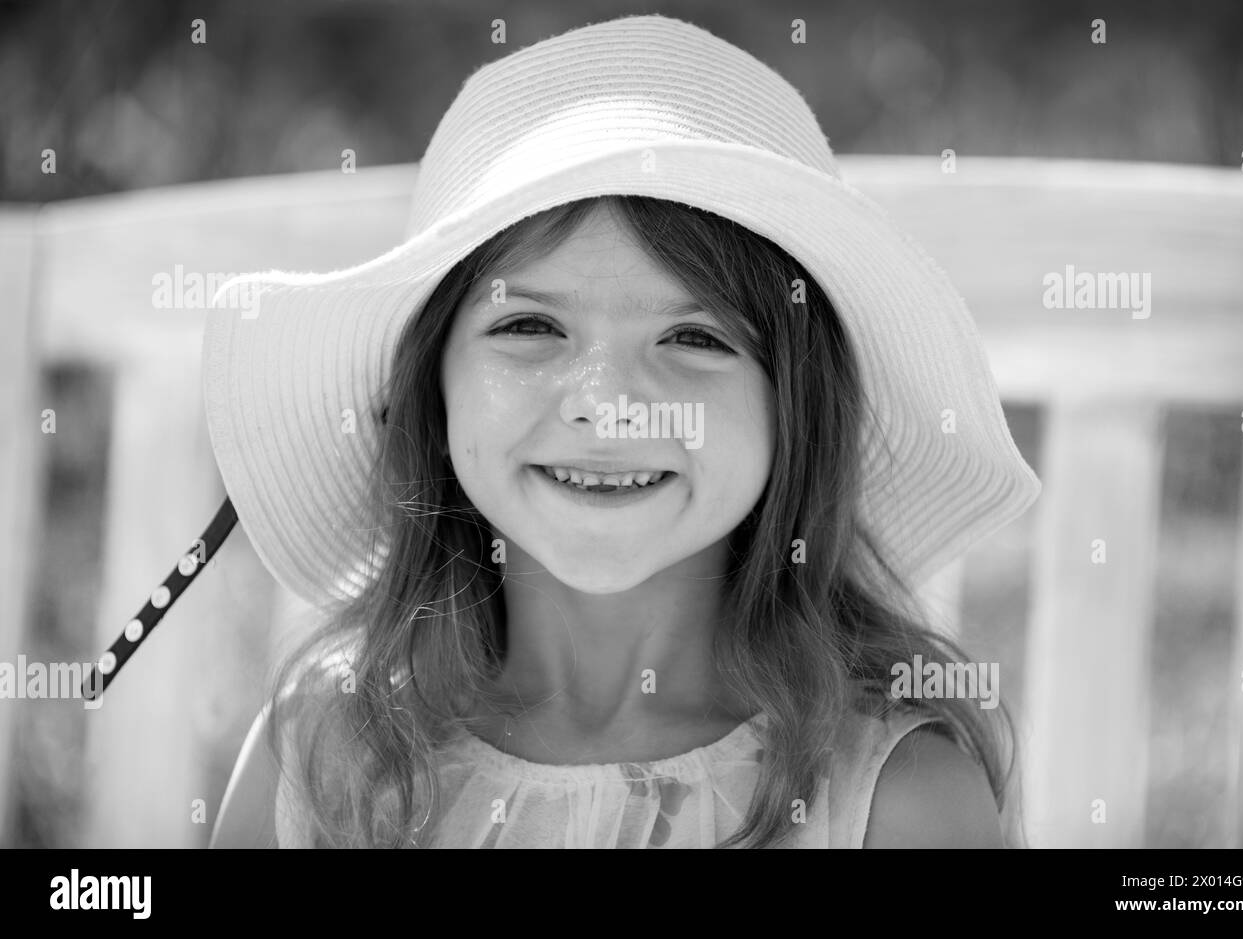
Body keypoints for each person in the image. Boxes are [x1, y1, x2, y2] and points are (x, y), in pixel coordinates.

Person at [206, 14, 1040, 848]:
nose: (607, 405)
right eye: (529, 327)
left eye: (695, 338)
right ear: (433, 387)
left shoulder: (899, 802)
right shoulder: (326, 755)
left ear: (795, 406)